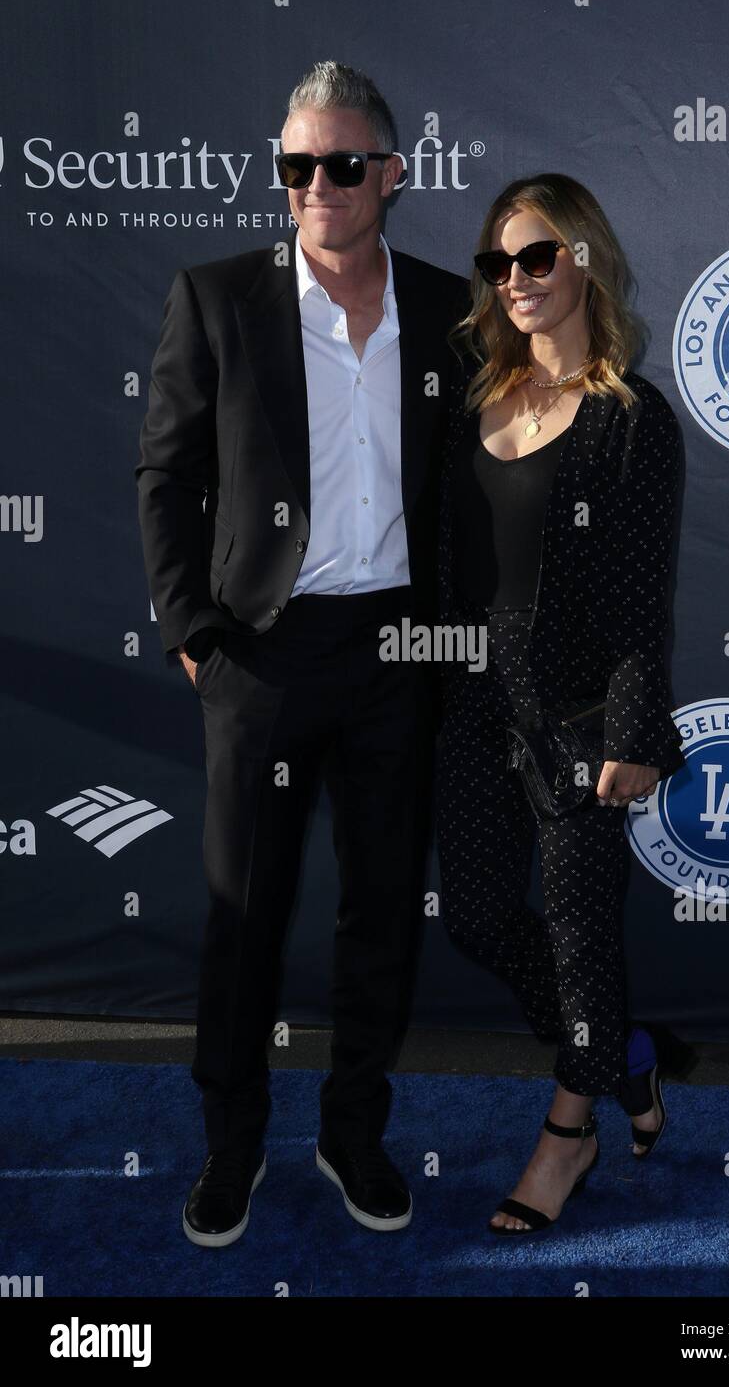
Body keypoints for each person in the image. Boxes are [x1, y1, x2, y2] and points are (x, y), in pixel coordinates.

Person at [136, 61, 468, 1246]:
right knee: (245, 914)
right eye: (293, 166)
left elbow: (472, 491)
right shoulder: (218, 296)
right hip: (264, 656)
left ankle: (352, 1131)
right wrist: (193, 632)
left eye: (338, 164)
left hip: (397, 651)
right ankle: (231, 1147)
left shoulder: (446, 308)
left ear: (389, 172)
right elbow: (166, 474)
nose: (314, 185)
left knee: (380, 910)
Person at [435, 172, 686, 1236]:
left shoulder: (631, 419)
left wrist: (630, 733)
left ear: (582, 256)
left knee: (583, 944)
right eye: (499, 264)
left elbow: (640, 604)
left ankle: (565, 1135)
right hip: (471, 709)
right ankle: (617, 1050)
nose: (517, 280)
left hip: (582, 720)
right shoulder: (475, 397)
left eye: (538, 256)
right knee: (483, 918)